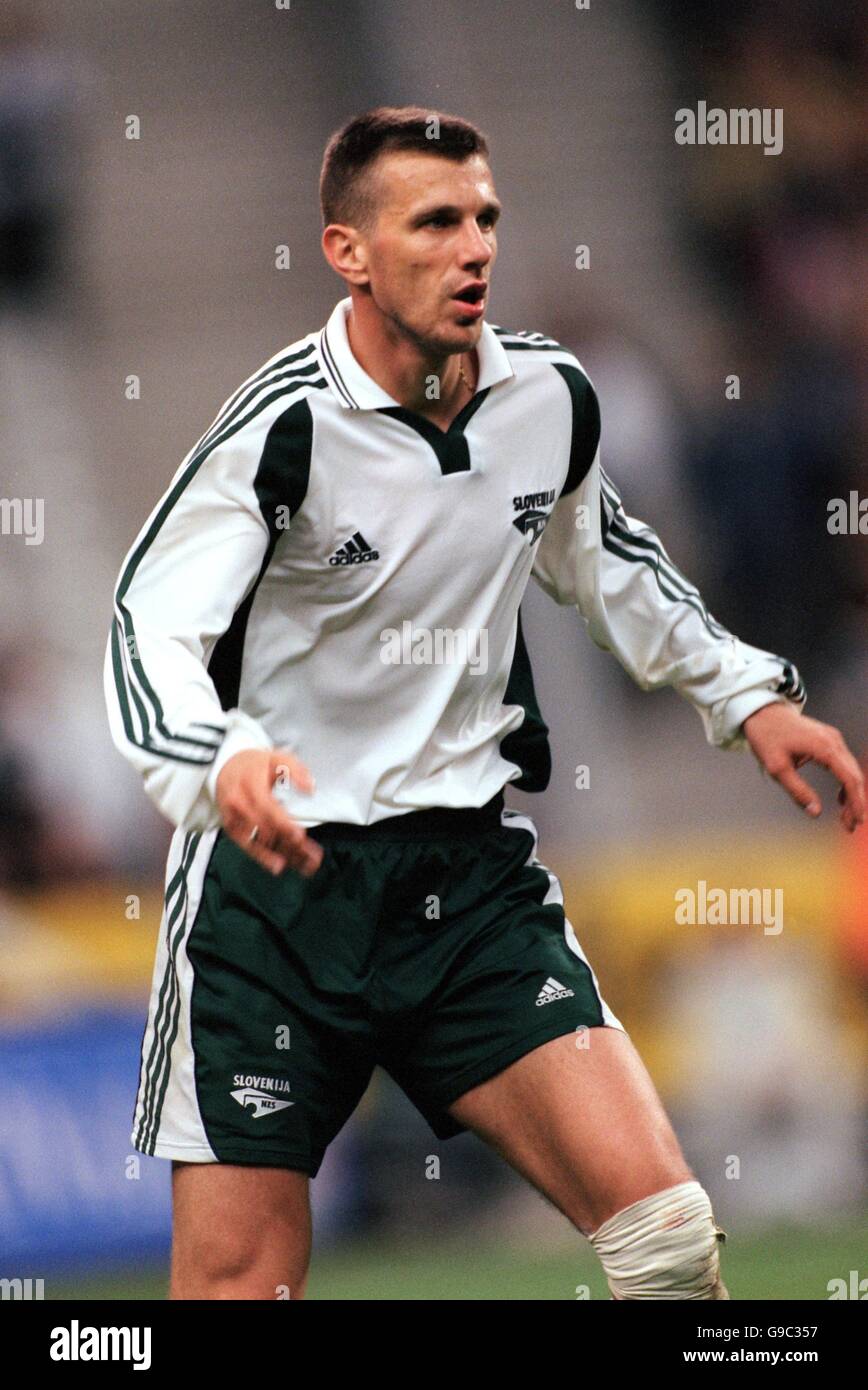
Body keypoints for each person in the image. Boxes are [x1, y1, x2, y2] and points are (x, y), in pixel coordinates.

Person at [103, 106, 865, 1301]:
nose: (474, 248)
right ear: (348, 252)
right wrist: (216, 759)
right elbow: (148, 620)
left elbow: (609, 559)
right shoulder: (281, 428)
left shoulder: (547, 399)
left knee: (666, 1240)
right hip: (273, 905)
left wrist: (746, 693)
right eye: (435, 222)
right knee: (237, 1292)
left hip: (465, 888)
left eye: (485, 219)